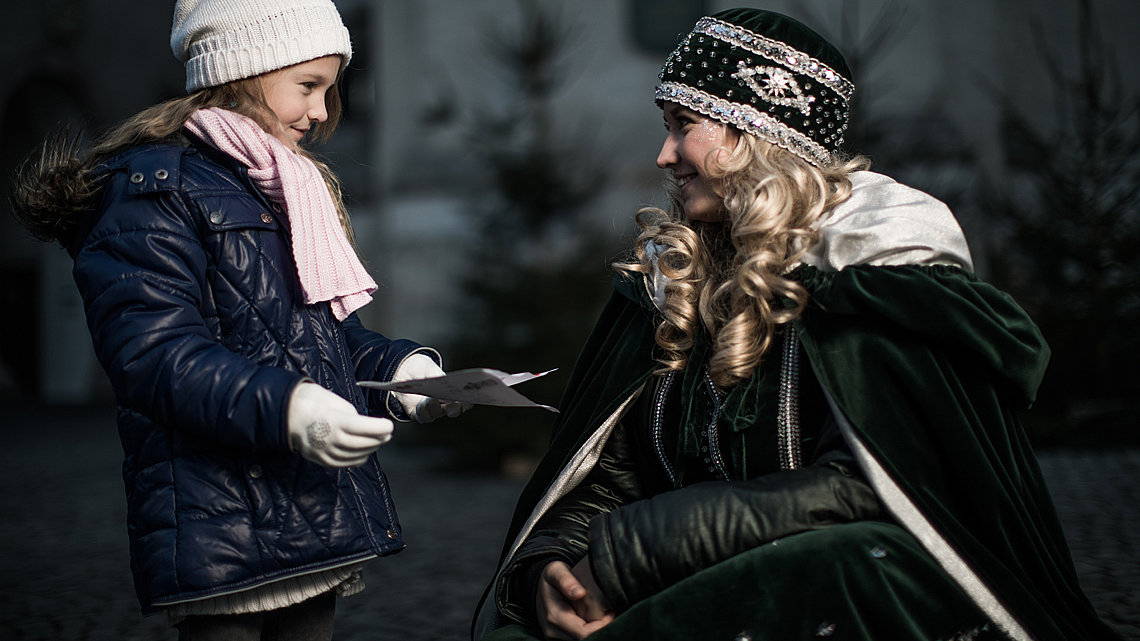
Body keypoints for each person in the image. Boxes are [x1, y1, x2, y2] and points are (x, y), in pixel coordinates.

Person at [472, 8, 1120, 641]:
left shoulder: (868, 272)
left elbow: (864, 488)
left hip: (816, 580)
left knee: (852, 561)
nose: (666, 154)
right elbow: (612, 475)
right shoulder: (673, 281)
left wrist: (638, 550)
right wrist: (551, 569)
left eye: (683, 125)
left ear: (753, 134)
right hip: (679, 574)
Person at [11, 0, 468, 638]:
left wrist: (407, 375)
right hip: (219, 520)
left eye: (330, 91)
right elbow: (154, 357)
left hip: (312, 514)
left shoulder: (285, 185)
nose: (320, 112)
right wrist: (290, 407)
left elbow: (314, 337)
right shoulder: (152, 191)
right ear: (245, 71)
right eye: (308, 86)